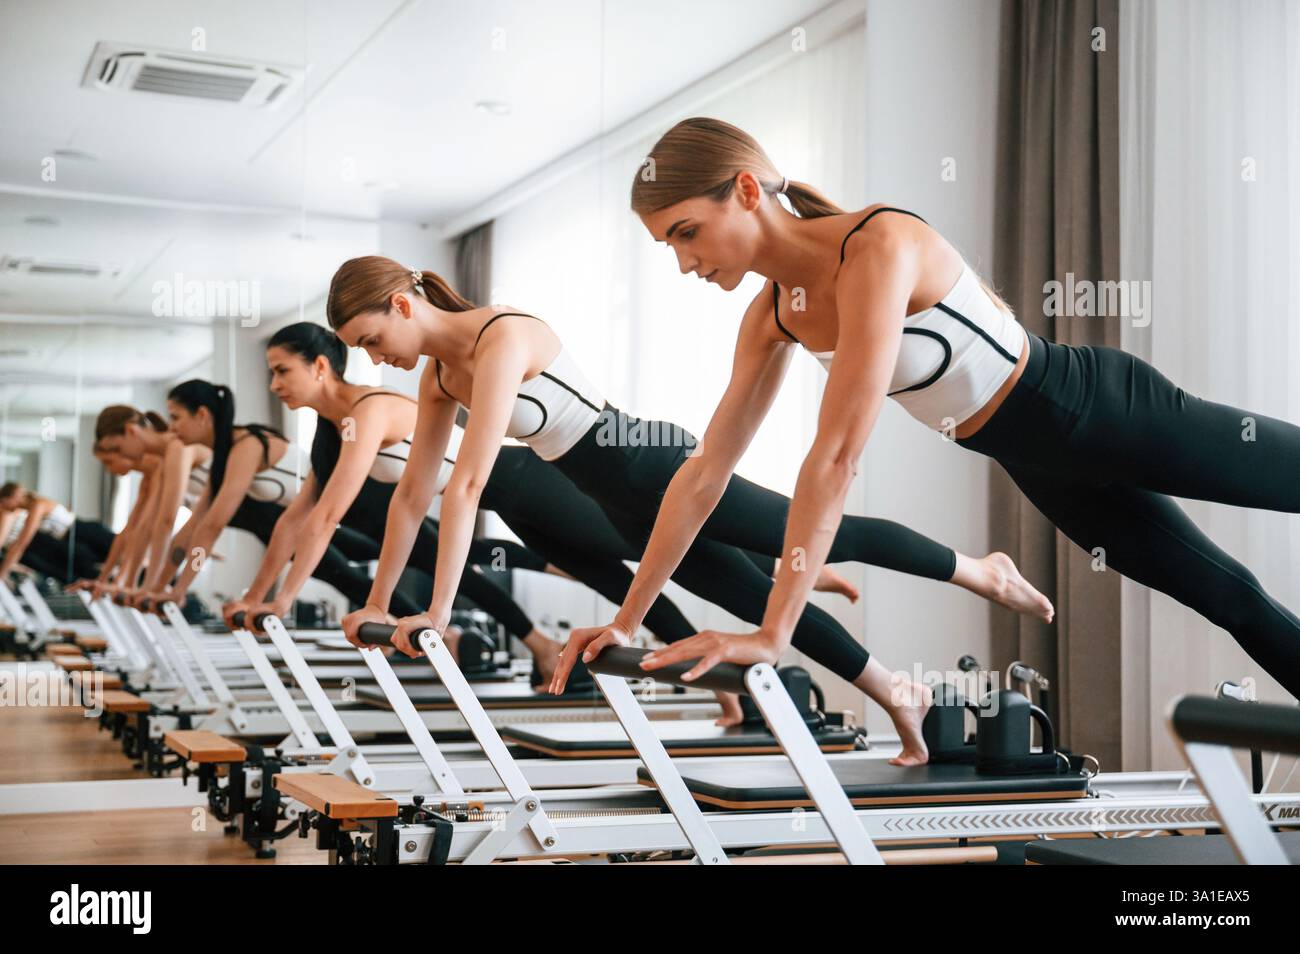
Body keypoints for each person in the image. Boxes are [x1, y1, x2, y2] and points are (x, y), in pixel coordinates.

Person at [558, 116, 1300, 741]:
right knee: (1229, 599)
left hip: (1104, 409)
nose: (686, 262)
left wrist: (773, 632)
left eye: (688, 232)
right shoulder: (775, 314)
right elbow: (703, 475)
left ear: (747, 192)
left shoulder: (877, 246)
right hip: (1041, 463)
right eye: (670, 247)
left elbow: (837, 456)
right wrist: (628, 621)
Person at [325, 255, 1051, 762]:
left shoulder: (502, 335)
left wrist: (437, 614)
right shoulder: (440, 379)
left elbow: (467, 486)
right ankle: (898, 693)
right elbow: (413, 496)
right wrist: (382, 601)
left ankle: (977, 568)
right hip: (617, 500)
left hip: (656, 462)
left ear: (402, 304)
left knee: (827, 535)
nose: (375, 357)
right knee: (757, 598)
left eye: (371, 339)